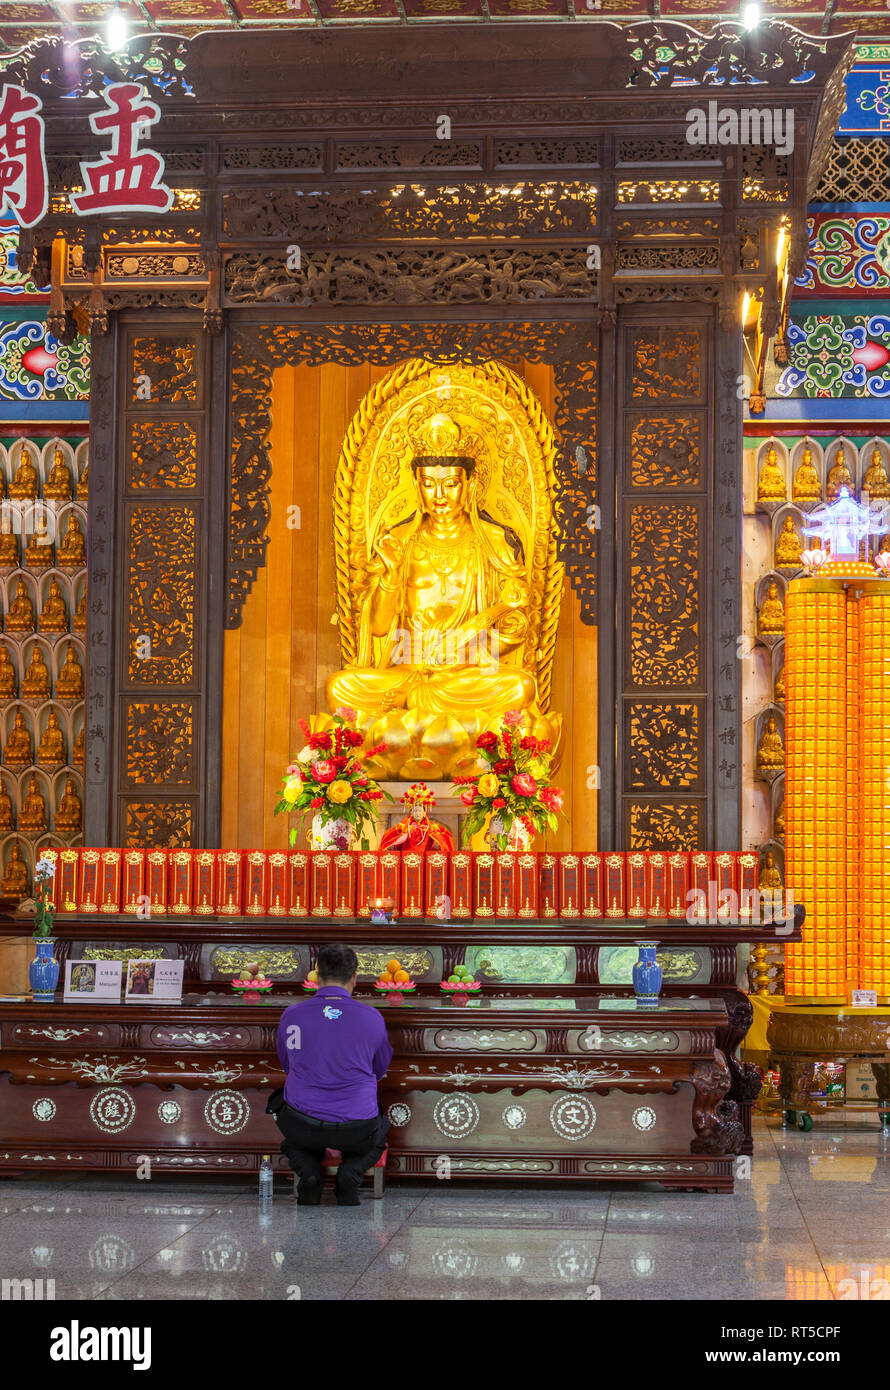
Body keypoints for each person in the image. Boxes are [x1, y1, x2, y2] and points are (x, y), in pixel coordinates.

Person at [269, 943, 392, 1206]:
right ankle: (351, 1173)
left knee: (294, 1140)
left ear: (317, 976)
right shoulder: (372, 1018)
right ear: (355, 978)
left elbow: (287, 1064)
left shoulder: (292, 1015)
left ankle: (310, 1174)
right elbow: (380, 1069)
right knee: (379, 1131)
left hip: (303, 1124)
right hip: (356, 1128)